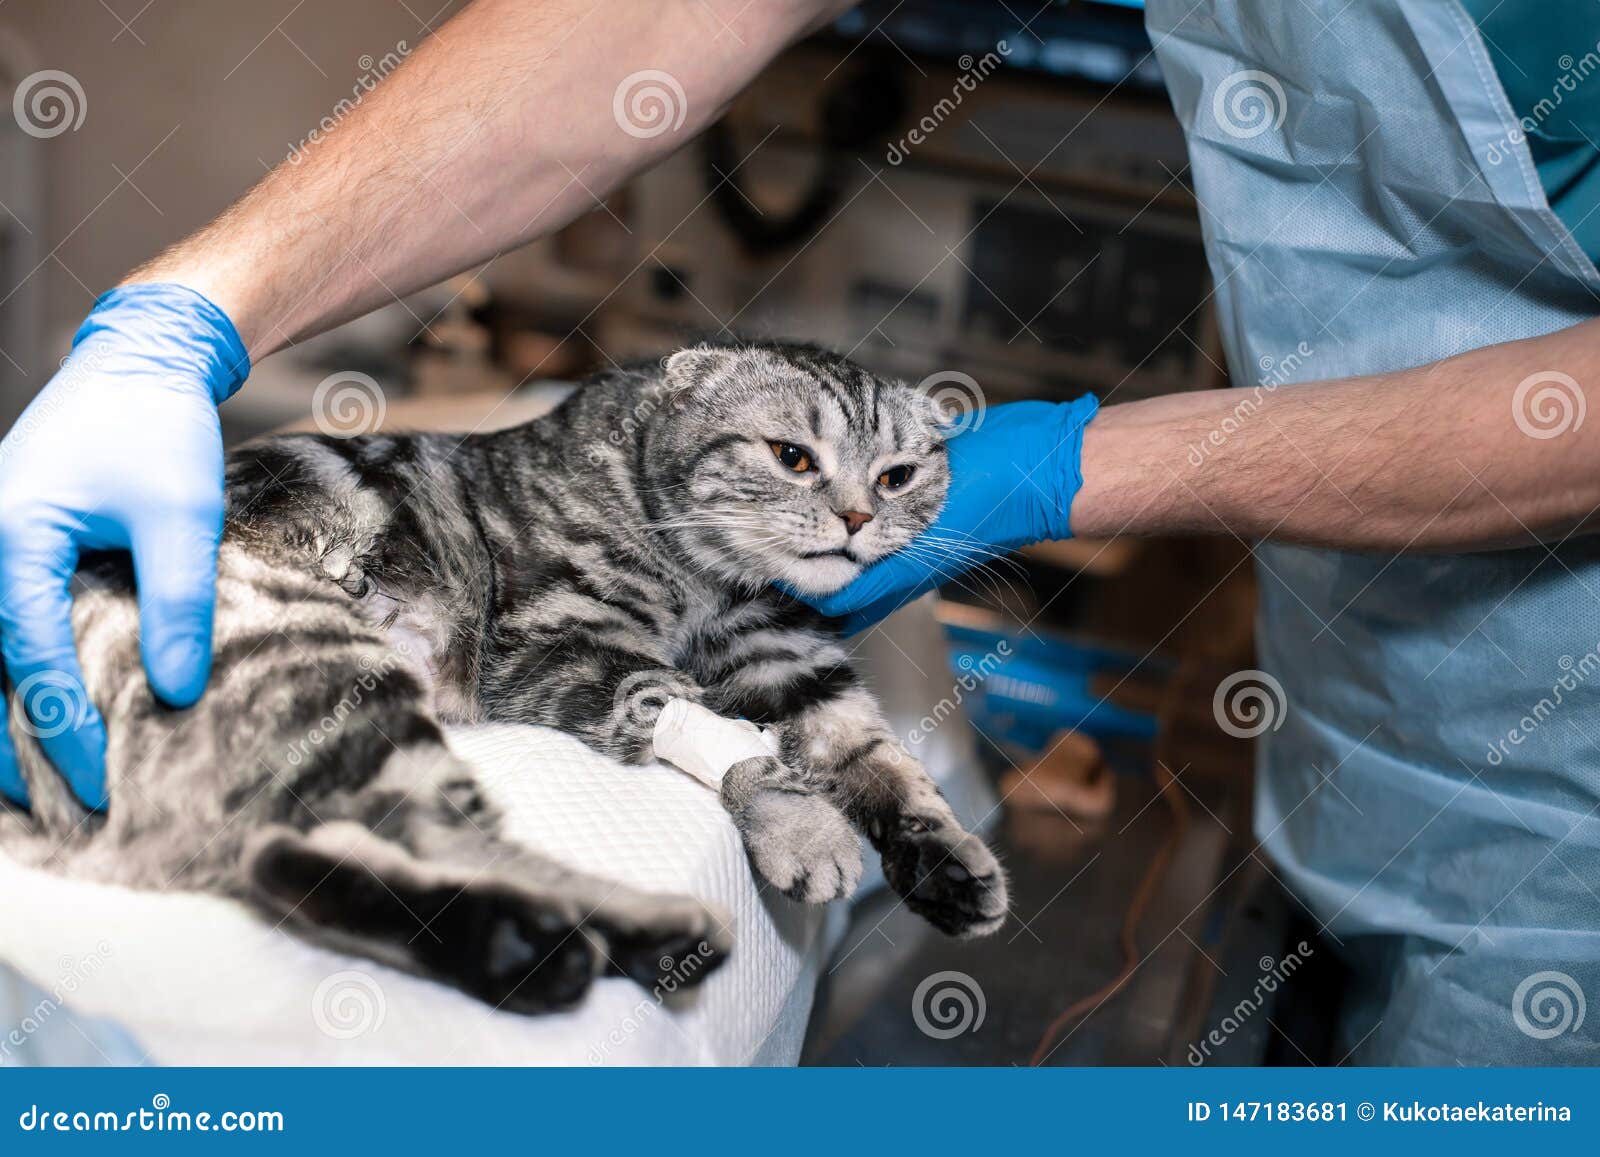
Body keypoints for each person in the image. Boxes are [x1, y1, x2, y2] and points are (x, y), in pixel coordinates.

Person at [2, 0, 1597, 1064]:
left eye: (876, 482)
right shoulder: (596, 489)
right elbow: (626, 31)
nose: (848, 512)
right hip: (1357, 687)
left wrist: (1072, 470)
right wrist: (197, 302)